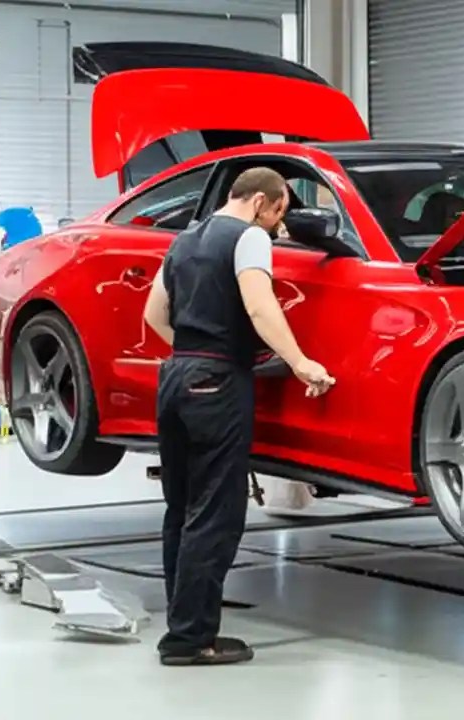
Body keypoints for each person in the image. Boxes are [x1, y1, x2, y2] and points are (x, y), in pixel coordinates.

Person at [141, 166, 334, 666]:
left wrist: (194, 352)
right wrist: (299, 361)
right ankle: (191, 641)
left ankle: (183, 627)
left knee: (181, 510)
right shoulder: (249, 238)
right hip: (218, 383)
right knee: (216, 513)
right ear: (260, 203)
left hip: (175, 378)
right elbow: (260, 306)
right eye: (279, 214)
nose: (278, 225)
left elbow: (154, 316)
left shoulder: (182, 240)